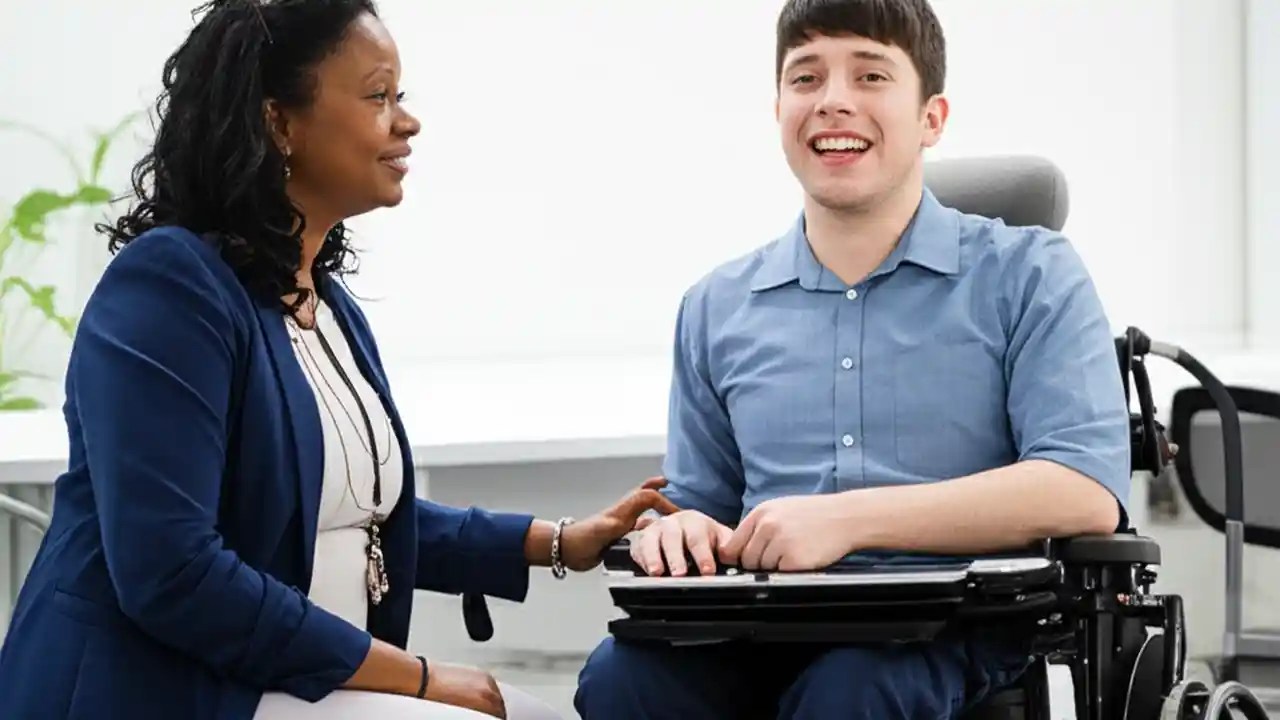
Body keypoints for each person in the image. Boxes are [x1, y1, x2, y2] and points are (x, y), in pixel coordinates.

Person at [0, 1, 678, 719]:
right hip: (170, 689)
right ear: (278, 121)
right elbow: (171, 571)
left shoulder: (323, 302)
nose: (406, 122)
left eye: (400, 97)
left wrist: (560, 542)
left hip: (287, 681)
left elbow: (350, 507)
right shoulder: (167, 287)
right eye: (378, 96)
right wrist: (416, 677)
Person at [574, 0, 1132, 717]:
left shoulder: (1028, 274)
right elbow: (704, 502)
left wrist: (846, 520)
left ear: (933, 117)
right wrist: (683, 528)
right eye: (806, 79)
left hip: (951, 625)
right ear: (777, 107)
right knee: (623, 680)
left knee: (852, 692)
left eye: (870, 76)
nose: (833, 101)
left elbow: (1081, 488)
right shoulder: (717, 305)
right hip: (761, 622)